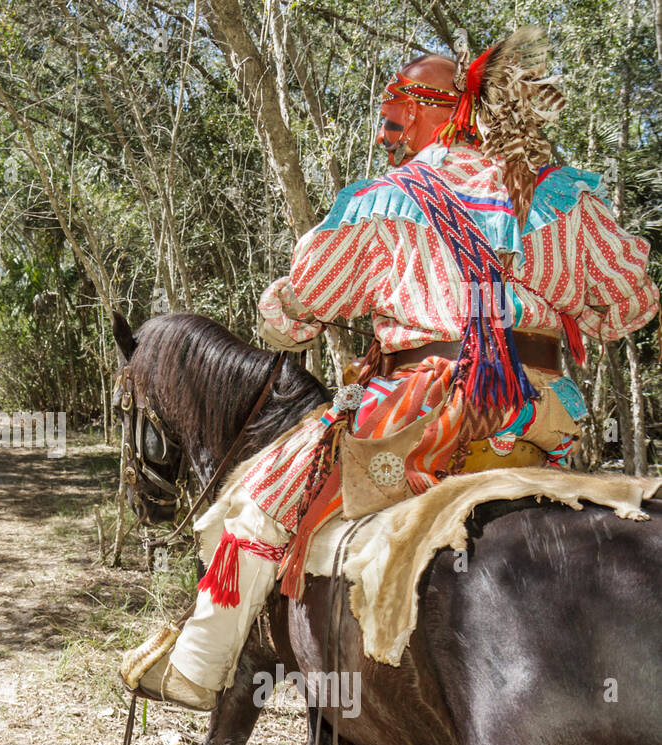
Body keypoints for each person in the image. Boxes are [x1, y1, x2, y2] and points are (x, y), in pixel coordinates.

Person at [121, 32, 660, 710]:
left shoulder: (388, 200)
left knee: (261, 501)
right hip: (540, 416)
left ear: (441, 112)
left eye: (392, 115)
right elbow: (632, 301)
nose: (384, 135)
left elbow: (305, 304)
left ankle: (197, 669)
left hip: (419, 417)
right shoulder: (562, 197)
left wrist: (282, 314)